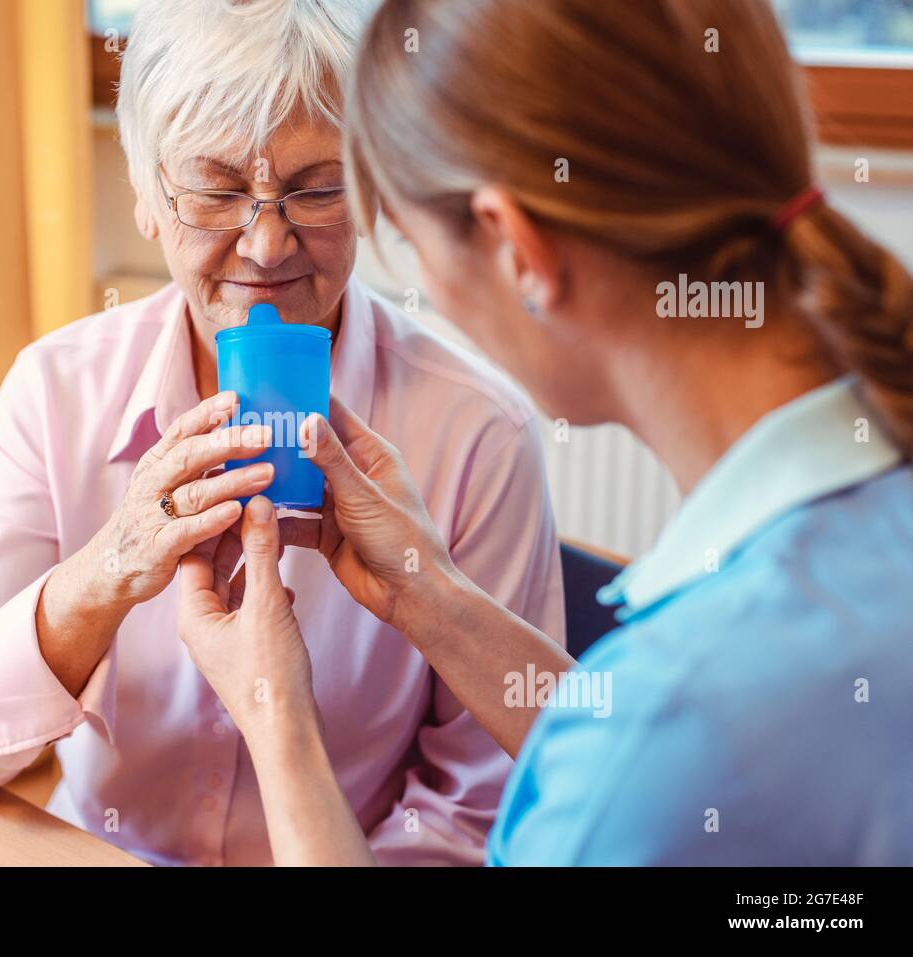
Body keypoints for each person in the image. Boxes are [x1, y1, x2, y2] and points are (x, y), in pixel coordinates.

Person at [177, 0, 913, 865]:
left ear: (517, 249)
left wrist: (276, 718)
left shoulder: (661, 733)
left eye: (410, 245)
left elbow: (647, 763)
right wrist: (431, 598)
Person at [0, 0, 564, 866]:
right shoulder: (56, 392)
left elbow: (478, 818)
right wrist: (104, 574)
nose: (268, 240)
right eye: (216, 189)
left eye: (317, 188)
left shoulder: (476, 432)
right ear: (147, 197)